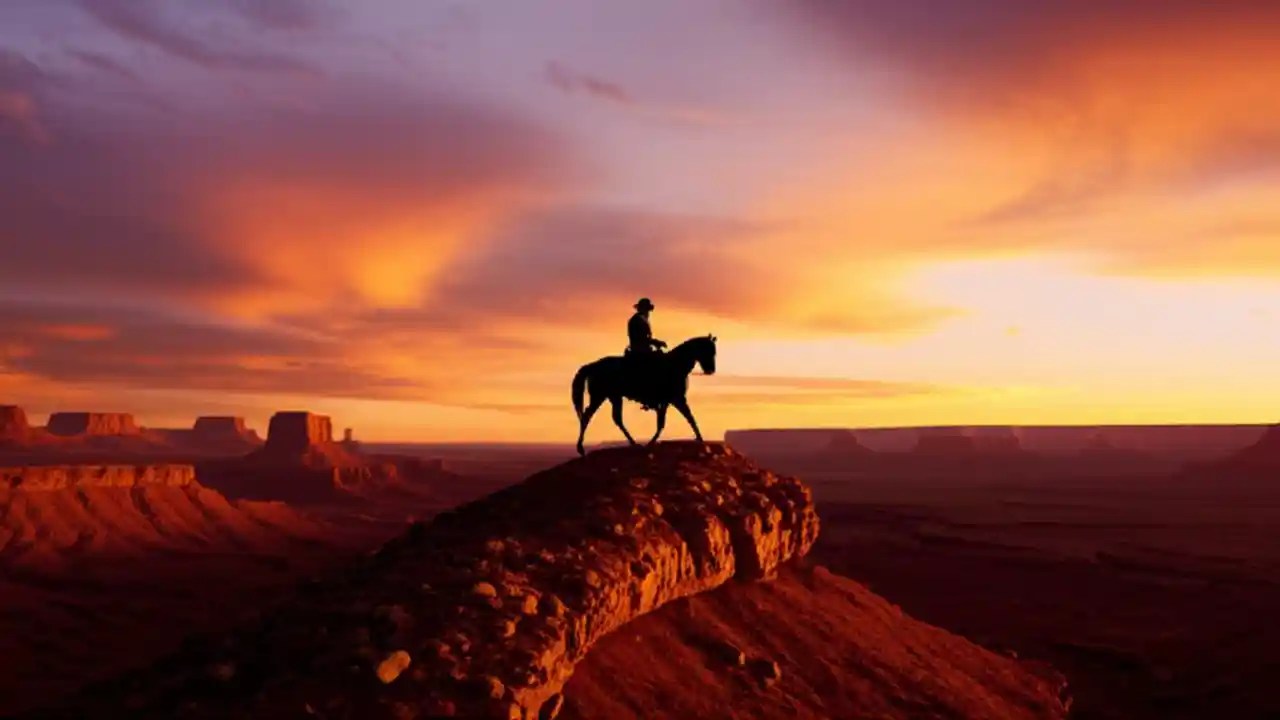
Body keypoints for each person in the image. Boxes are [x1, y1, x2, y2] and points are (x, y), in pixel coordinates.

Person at [626, 297, 666, 408]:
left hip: (644, 348)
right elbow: (640, 338)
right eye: (647, 309)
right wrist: (655, 342)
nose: (648, 312)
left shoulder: (642, 320)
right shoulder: (636, 321)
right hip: (638, 350)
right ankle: (649, 396)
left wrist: (654, 342)